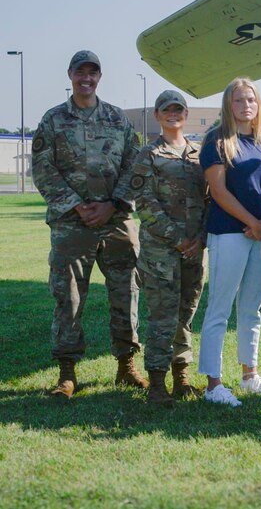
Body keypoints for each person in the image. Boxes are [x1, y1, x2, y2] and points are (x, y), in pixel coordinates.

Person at [31, 50, 145, 398]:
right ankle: (67, 373)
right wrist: (77, 206)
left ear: (99, 77)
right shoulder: (53, 120)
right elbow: (42, 168)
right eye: (81, 72)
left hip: (115, 222)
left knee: (126, 293)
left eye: (93, 72)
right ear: (70, 75)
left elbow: (134, 166)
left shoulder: (117, 119)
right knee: (69, 296)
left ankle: (126, 366)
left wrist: (112, 205)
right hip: (72, 225)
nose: (87, 78)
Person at [197, 77, 261, 407]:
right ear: (228, 105)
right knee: (219, 308)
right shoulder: (216, 140)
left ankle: (250, 376)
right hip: (230, 233)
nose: (246, 106)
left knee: (252, 309)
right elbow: (218, 191)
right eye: (239, 100)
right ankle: (214, 384)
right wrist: (253, 223)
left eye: (251, 100)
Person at [128, 89, 208, 405]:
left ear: (185, 115)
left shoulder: (200, 154)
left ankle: (182, 377)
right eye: (166, 110)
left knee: (186, 312)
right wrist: (178, 240)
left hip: (194, 250)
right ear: (158, 116)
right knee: (162, 314)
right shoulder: (148, 155)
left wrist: (200, 238)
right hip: (161, 252)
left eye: (178, 109)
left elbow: (210, 199)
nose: (173, 114)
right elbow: (144, 203)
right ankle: (158, 382)